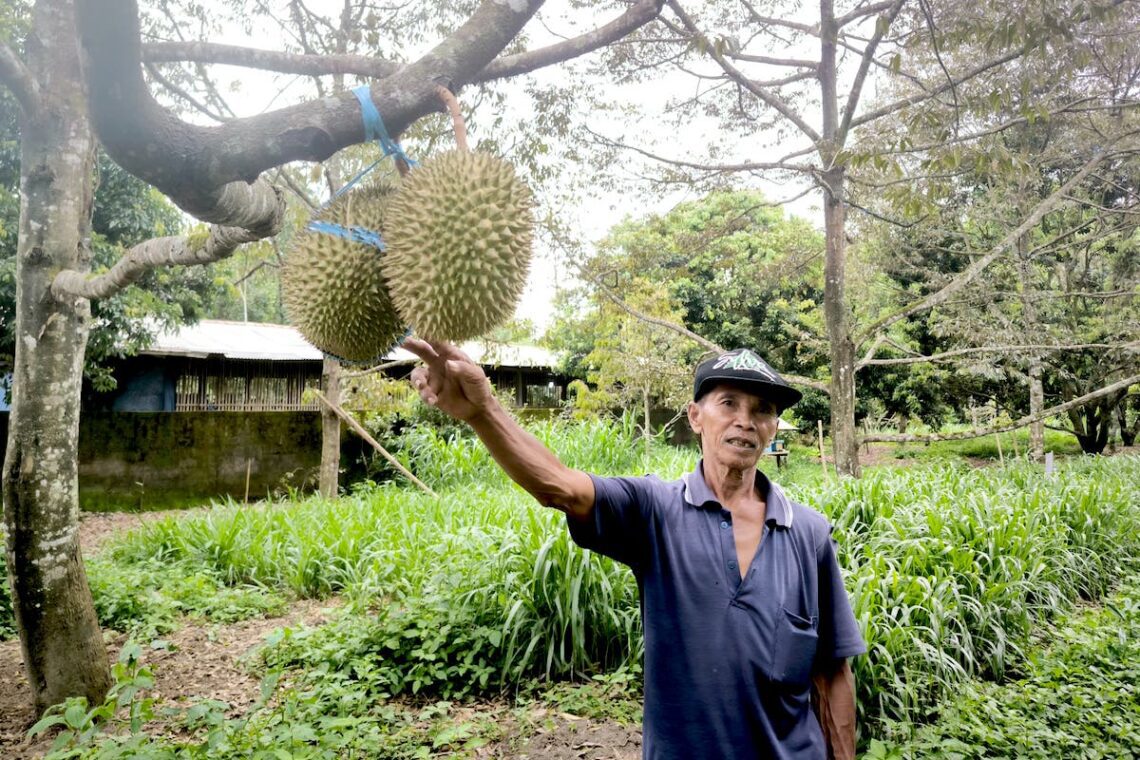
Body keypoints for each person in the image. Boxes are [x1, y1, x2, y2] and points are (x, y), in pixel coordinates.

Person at [404, 338, 865, 760]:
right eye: (728, 403)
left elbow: (832, 674)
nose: (745, 420)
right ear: (695, 416)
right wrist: (484, 411)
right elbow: (559, 487)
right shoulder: (656, 511)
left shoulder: (808, 532)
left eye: (761, 409)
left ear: (772, 427)